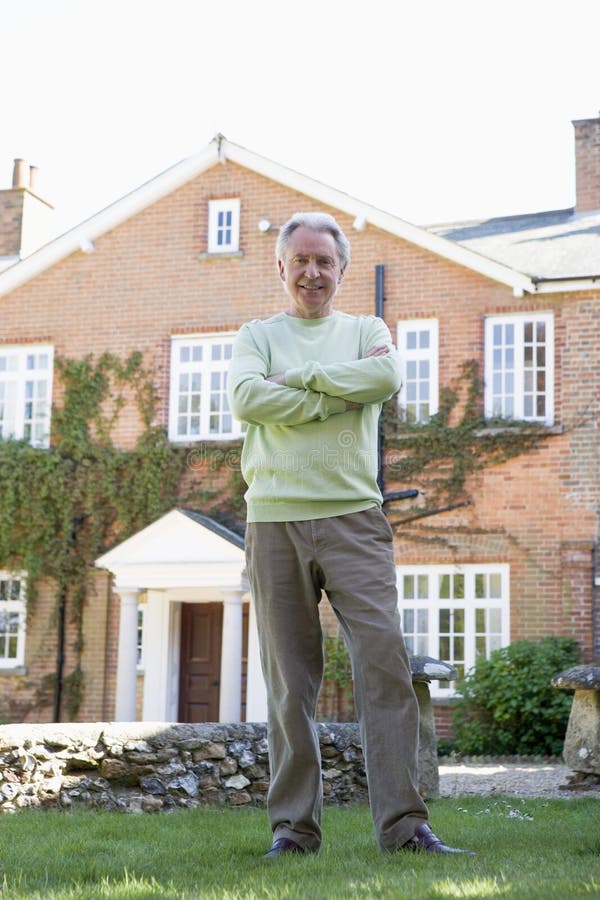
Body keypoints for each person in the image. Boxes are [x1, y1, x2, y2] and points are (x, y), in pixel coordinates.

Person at [227, 212, 473, 858]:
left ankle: (405, 828)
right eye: (300, 261)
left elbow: (385, 379)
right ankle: (294, 831)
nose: (312, 272)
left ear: (341, 270)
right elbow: (249, 399)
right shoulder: (257, 335)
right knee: (289, 683)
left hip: (355, 520)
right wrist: (339, 393)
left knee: (385, 666)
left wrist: (303, 381)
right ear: (281, 268)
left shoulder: (367, 330)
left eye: (324, 262)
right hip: (275, 519)